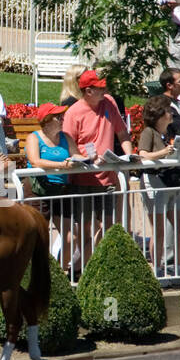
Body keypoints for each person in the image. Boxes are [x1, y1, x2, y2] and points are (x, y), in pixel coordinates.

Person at [62, 68, 132, 259]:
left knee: (110, 226)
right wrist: (87, 161)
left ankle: (98, 264)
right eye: (100, 88)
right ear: (88, 90)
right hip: (83, 179)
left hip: (107, 178)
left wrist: (130, 156)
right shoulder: (73, 113)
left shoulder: (109, 102)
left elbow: (123, 133)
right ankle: (84, 270)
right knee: (84, 227)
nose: (105, 90)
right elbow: (71, 147)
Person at [25, 102, 85, 270]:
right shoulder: (33, 137)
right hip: (37, 190)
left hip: (60, 189)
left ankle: (57, 275)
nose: (62, 119)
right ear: (46, 120)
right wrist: (61, 166)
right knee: (39, 237)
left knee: (70, 237)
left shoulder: (66, 137)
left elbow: (77, 155)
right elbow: (35, 161)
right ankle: (37, 273)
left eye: (62, 116)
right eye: (58, 116)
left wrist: (92, 158)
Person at [135, 95, 180, 273]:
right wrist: (163, 152)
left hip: (174, 182)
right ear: (159, 114)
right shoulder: (149, 132)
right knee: (159, 230)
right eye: (168, 110)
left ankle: (179, 267)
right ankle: (157, 270)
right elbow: (143, 155)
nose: (171, 113)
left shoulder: (172, 131)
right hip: (155, 181)